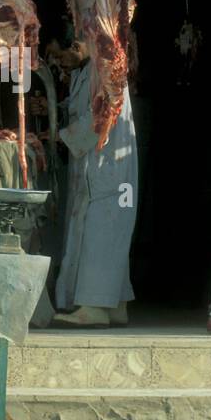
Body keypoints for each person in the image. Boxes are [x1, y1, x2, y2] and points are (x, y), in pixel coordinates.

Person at [46, 25, 139, 328]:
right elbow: (79, 109)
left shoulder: (106, 69)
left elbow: (98, 118)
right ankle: (117, 304)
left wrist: (59, 137)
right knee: (110, 233)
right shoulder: (85, 72)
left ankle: (95, 307)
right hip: (100, 169)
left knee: (101, 232)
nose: (61, 60)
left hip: (111, 171)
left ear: (82, 43)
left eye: (62, 52)